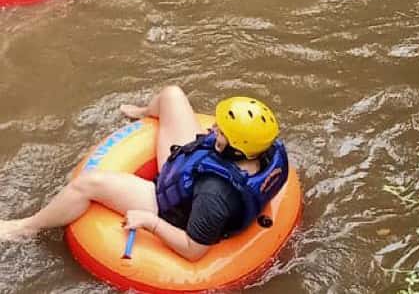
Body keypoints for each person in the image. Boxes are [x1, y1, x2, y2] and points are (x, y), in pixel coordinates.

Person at [0, 86, 289, 260]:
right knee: (172, 94)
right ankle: (141, 113)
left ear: (237, 149)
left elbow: (194, 250)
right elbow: (214, 151)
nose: (212, 129)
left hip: (172, 206)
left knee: (86, 184)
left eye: (220, 131)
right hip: (190, 171)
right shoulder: (263, 150)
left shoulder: (215, 195)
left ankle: (26, 228)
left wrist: (151, 223)